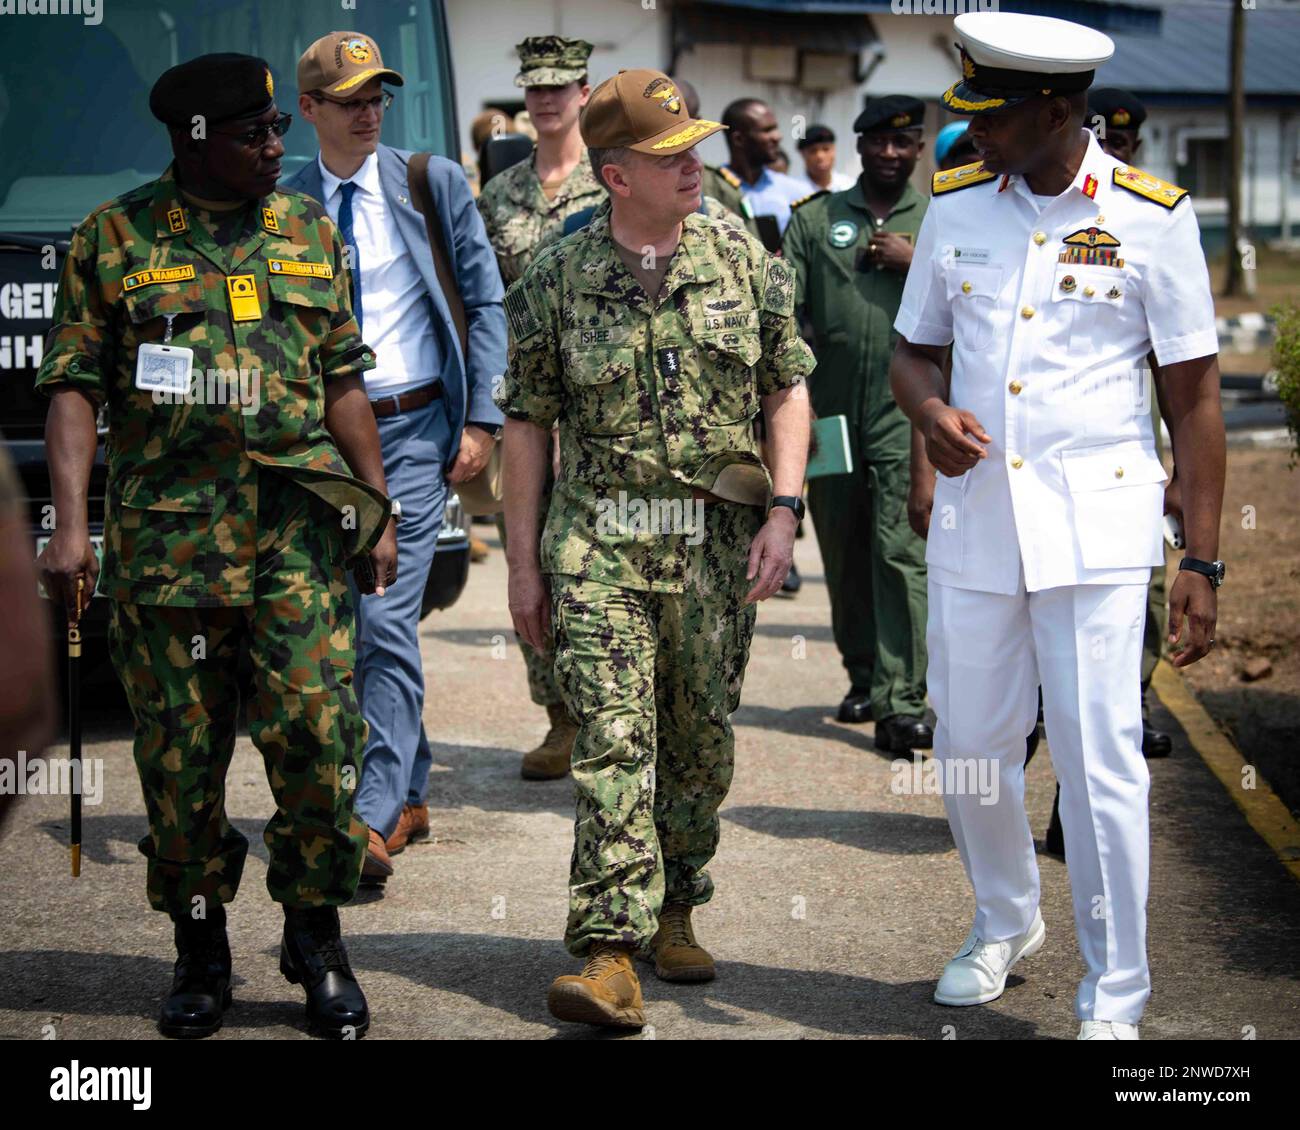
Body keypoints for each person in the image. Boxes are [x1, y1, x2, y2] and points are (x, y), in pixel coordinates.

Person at [36, 53, 397, 1039]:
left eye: (279, 129)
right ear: (194, 140)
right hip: (170, 548)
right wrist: (72, 528)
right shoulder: (114, 238)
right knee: (181, 762)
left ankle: (317, 940)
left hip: (295, 536)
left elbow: (342, 379)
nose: (277, 148)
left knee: (319, 746)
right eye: (253, 136)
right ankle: (200, 951)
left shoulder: (306, 229)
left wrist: (377, 507)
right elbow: (73, 388)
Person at [890, 11, 1224, 1041]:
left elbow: (1196, 398)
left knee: (1098, 758)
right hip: (980, 527)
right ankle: (1003, 918)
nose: (970, 135)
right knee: (971, 746)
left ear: (1054, 109)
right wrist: (929, 412)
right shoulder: (955, 210)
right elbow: (913, 350)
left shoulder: (1151, 217)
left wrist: (1202, 555)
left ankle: (1113, 991)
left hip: (1097, 532)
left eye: (991, 117)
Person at [498, 68, 814, 1029]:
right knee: (613, 736)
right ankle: (608, 949)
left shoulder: (740, 254)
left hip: (715, 545)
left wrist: (785, 511)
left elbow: (786, 387)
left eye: (695, 146)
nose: (694, 164)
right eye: (669, 154)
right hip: (599, 539)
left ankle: (678, 905)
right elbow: (526, 424)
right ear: (613, 174)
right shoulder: (556, 274)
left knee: (698, 740)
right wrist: (521, 566)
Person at [286, 32, 506, 881]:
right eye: (350, 100)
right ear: (310, 110)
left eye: (378, 96)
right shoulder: (286, 202)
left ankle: (370, 816)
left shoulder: (430, 181)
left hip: (415, 432)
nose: (369, 111)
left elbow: (486, 300)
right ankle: (410, 790)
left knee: (381, 617)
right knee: (335, 627)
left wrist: (482, 417)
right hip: (321, 441)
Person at [784, 96, 934, 751]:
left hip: (909, 414)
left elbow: (977, 302)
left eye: (905, 144)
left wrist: (917, 261)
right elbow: (782, 314)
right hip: (829, 414)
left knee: (900, 553)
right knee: (842, 548)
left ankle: (904, 700)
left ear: (919, 149)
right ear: (862, 147)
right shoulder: (816, 221)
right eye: (880, 143)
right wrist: (795, 404)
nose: (892, 155)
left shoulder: (941, 219)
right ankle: (865, 676)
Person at [476, 36, 604, 781]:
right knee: (527, 558)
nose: (546, 99)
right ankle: (559, 717)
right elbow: (486, 305)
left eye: (560, 87)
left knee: (598, 557)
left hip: (600, 408)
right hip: (528, 406)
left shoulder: (613, 180)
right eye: (535, 88)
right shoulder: (500, 195)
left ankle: (608, 712)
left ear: (584, 91)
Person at [719, 97, 809, 233]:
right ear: (739, 139)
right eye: (767, 130)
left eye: (775, 129)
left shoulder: (796, 192)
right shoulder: (710, 189)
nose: (777, 137)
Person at [793, 124, 855, 195]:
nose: (820, 156)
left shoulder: (848, 186)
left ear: (834, 150)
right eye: (813, 151)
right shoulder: (794, 189)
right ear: (802, 154)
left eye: (826, 149)